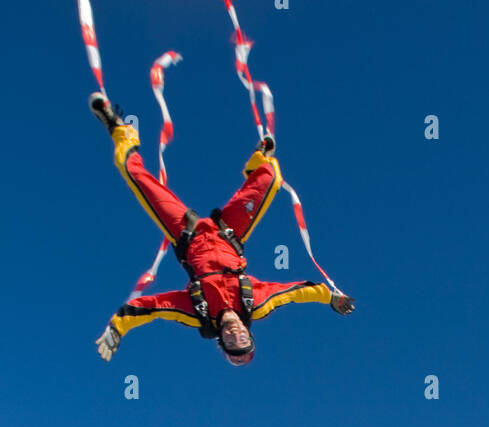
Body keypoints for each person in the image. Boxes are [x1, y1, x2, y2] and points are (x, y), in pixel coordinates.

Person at [90, 95, 354, 366]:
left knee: (135, 177)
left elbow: (153, 307)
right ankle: (256, 163)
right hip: (228, 233)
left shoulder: (196, 312)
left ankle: (122, 132)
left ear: (221, 341)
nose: (234, 333)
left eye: (230, 341)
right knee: (271, 177)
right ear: (249, 332)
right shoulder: (257, 303)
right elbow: (294, 291)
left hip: (187, 235)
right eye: (243, 338)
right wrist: (330, 296)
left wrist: (117, 328)